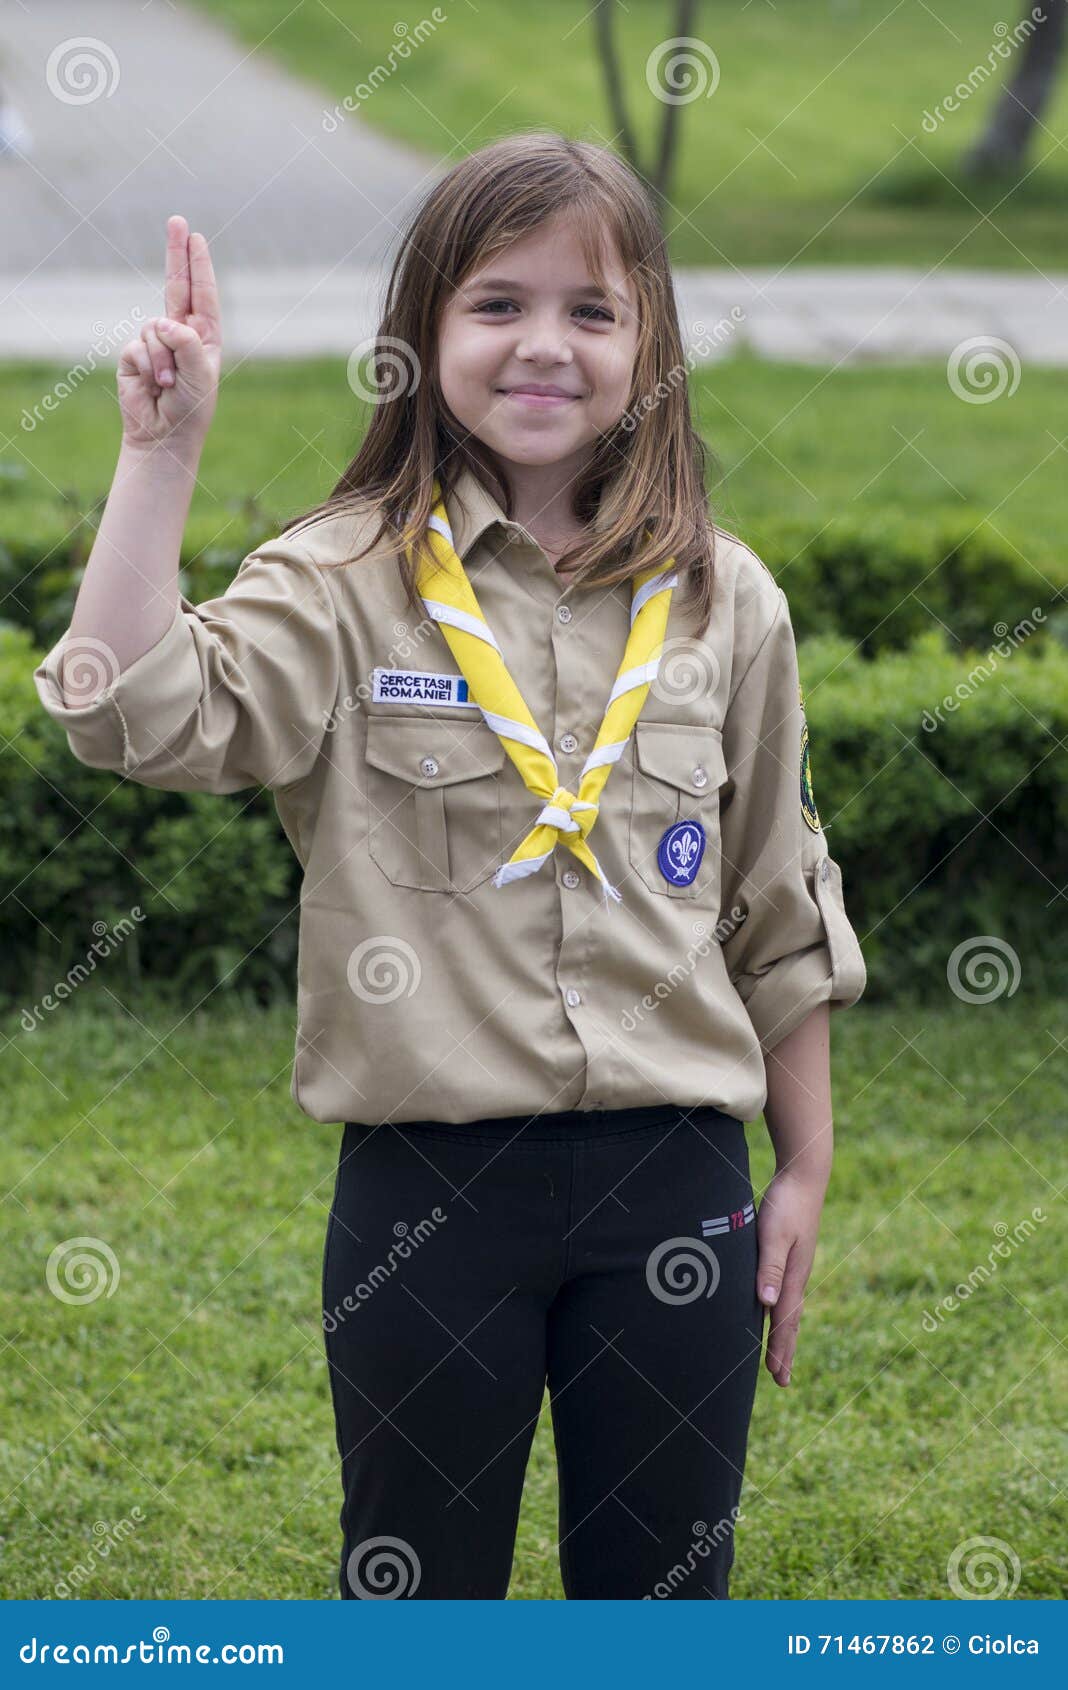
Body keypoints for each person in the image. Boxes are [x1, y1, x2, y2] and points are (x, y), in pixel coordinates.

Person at [33, 132, 867, 1601]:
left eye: (593, 312)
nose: (545, 346)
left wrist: (801, 1164)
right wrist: (160, 457)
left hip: (677, 1181)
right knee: (419, 1602)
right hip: (429, 1194)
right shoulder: (346, 577)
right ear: (423, 334)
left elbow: (774, 902)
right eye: (497, 304)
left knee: (667, 1599)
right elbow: (125, 709)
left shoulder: (723, 599)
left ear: (649, 347)